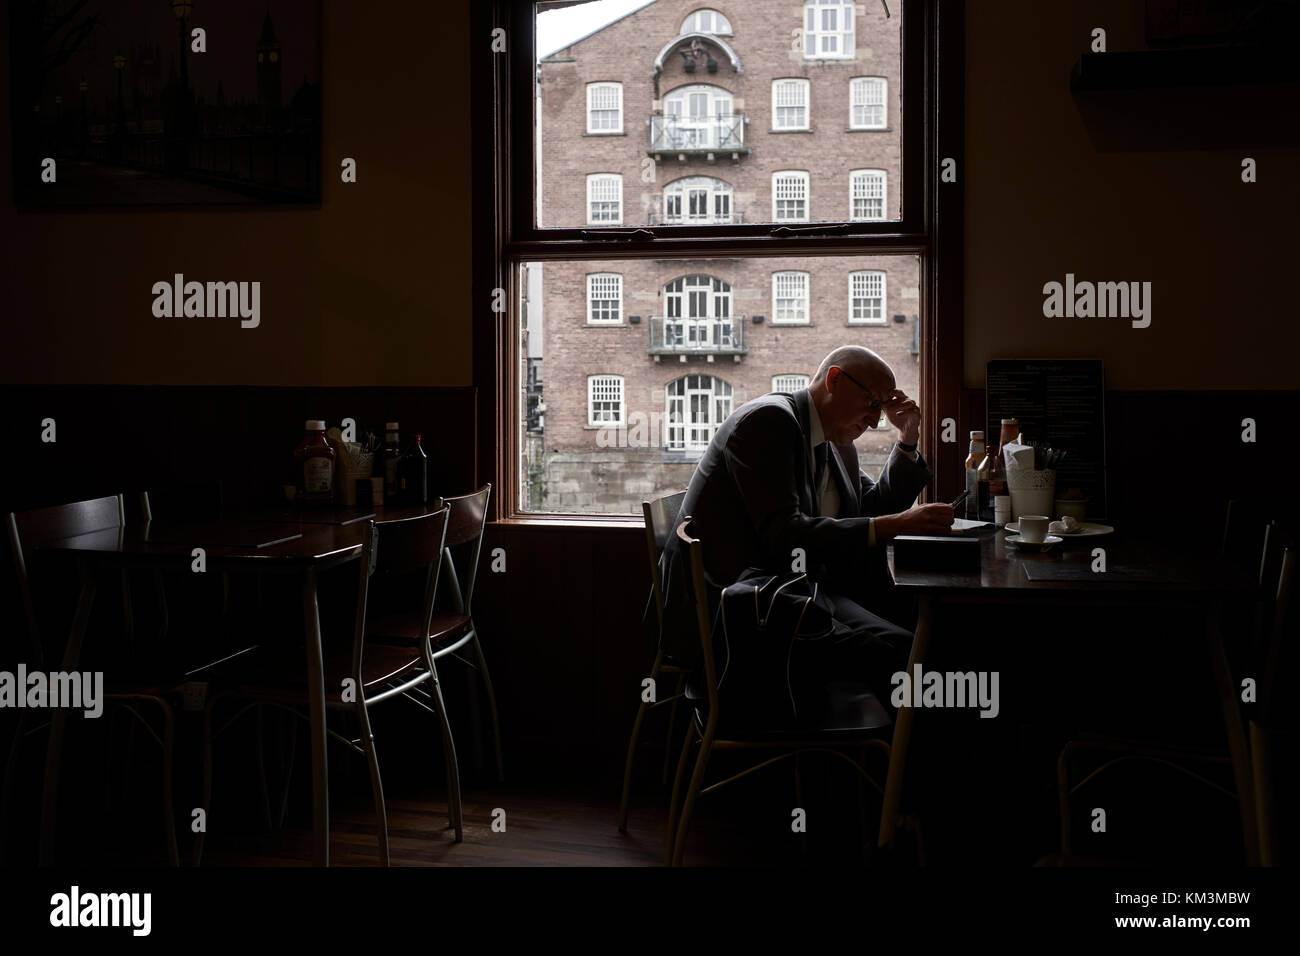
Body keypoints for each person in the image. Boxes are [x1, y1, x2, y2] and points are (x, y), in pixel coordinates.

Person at [650, 345, 953, 713]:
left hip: (789, 593)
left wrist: (907, 439)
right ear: (834, 379)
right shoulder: (767, 422)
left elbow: (869, 509)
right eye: (873, 403)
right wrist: (893, 526)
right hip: (740, 616)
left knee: (918, 633)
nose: (876, 421)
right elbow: (784, 536)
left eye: (882, 408)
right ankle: (883, 763)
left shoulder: (835, 439)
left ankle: (886, 759)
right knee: (907, 651)